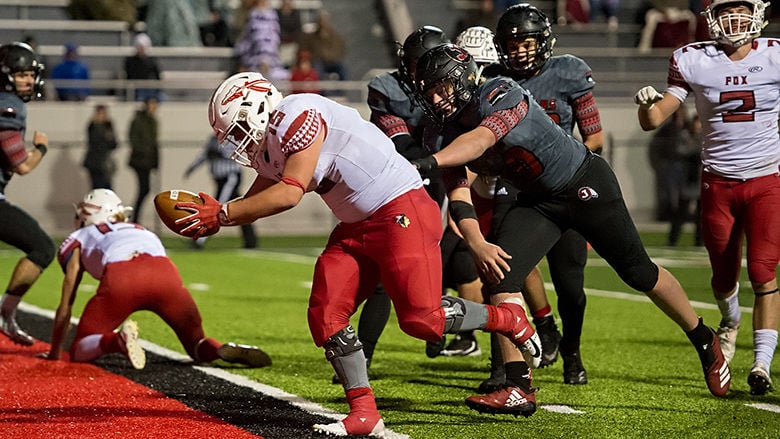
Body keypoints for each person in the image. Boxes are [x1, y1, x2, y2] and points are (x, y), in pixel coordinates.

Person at [172, 71, 543, 435]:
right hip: (356, 225)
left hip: (401, 209)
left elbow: (289, 192)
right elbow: (261, 195)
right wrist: (221, 216)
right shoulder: (271, 142)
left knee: (422, 321)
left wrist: (223, 213)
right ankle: (364, 412)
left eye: (238, 129)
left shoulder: (296, 114)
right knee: (326, 313)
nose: (239, 140)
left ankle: (506, 317)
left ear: (258, 106)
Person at [411, 43, 731, 414]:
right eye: (429, 92)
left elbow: (481, 140)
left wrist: (429, 162)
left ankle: (702, 336)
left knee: (639, 272)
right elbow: (458, 192)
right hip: (537, 200)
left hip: (583, 183)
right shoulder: (439, 131)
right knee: (500, 276)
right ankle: (518, 385)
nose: (436, 98)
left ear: (464, 78)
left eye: (442, 87)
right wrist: (478, 242)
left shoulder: (500, 91)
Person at [633, 0, 779, 396]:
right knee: (723, 275)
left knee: (763, 271)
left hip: (767, 179)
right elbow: (654, 119)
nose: (734, 19)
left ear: (757, 13)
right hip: (719, 182)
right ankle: (730, 322)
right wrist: (646, 107)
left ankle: (762, 363)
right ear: (712, 17)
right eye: (726, 11)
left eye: (741, 10)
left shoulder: (775, 55)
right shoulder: (693, 59)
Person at [492, 3, 607, 385]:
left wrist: (567, 172)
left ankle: (572, 352)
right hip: (516, 190)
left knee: (570, 285)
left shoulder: (568, 72)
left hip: (563, 188)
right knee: (503, 278)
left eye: (527, 42)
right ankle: (502, 367)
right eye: (513, 44)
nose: (520, 51)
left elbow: (594, 138)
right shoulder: (494, 80)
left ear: (543, 42)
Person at [41, 189, 271, 370]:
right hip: (165, 274)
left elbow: (66, 304)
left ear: (88, 214)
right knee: (196, 345)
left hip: (123, 277)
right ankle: (217, 348)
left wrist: (54, 352)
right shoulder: (140, 229)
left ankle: (116, 342)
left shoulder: (80, 235)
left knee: (80, 348)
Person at [0, 42, 56, 347]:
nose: (29, 81)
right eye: (21, 74)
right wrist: (41, 148)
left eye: (30, 74)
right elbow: (21, 165)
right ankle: (5, 314)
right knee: (42, 248)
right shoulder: (9, 105)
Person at [184, 134, 258, 249]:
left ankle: (199, 240)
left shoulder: (232, 138)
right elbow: (204, 155)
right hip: (219, 180)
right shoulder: (213, 140)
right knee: (241, 209)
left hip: (230, 177)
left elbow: (235, 155)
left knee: (216, 208)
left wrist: (217, 154)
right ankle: (251, 241)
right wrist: (192, 168)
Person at [233, 0, 288, 82]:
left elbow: (271, 41)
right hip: (253, 64)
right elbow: (247, 42)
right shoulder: (252, 15)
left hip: (269, 64)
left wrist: (266, 60)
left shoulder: (271, 15)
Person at [128, 97, 160, 226]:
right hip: (140, 160)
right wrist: (145, 151)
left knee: (144, 189)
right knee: (144, 188)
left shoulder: (152, 121)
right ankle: (135, 218)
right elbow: (135, 140)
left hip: (147, 161)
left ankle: (135, 218)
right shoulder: (139, 120)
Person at [298, 9, 347, 82]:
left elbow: (339, 50)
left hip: (333, 61)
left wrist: (331, 57)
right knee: (317, 69)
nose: (324, 23)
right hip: (318, 61)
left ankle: (342, 88)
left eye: (325, 21)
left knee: (342, 68)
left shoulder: (335, 36)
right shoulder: (311, 37)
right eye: (322, 21)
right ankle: (321, 88)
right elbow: (306, 49)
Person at [83, 104, 118, 190]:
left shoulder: (108, 126)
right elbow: (93, 142)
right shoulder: (92, 126)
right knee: (97, 186)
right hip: (95, 162)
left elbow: (114, 144)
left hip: (105, 161)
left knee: (107, 187)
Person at [124, 33, 162, 102]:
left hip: (150, 88)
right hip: (137, 88)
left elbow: (157, 76)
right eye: (139, 46)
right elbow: (130, 75)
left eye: (142, 47)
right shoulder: (130, 61)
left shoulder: (152, 61)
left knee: (161, 98)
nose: (141, 49)